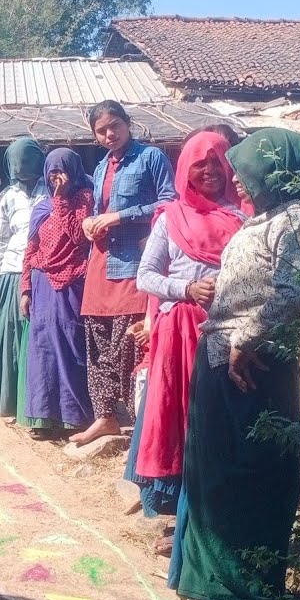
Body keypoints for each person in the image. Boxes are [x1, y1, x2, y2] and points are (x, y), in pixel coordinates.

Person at [171, 128, 300, 600]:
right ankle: (216, 590)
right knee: (217, 472)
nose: (235, 178)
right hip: (222, 359)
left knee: (250, 476)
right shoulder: (263, 220)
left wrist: (247, 339)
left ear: (274, 172)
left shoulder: (296, 221)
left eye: (245, 169)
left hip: (255, 367)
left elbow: (293, 294)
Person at [126, 131, 244, 554]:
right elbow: (145, 276)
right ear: (185, 171)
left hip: (228, 335)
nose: (211, 171)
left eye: (218, 162)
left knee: (214, 424)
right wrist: (186, 289)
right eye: (200, 164)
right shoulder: (170, 217)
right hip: (179, 335)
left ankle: (210, 517)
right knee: (179, 419)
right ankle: (180, 521)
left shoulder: (242, 218)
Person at [71, 100, 177, 446]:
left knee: (130, 341)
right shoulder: (102, 166)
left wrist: (120, 217)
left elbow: (168, 204)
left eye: (114, 125)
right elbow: (101, 210)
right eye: (101, 131)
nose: (109, 134)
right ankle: (105, 417)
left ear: (128, 123)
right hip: (101, 263)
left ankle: (141, 422)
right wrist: (92, 221)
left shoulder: (151, 158)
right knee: (98, 339)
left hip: (135, 263)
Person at [20, 148, 96, 440]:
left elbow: (79, 236)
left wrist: (63, 199)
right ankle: (41, 418)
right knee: (42, 350)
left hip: (71, 283)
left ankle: (72, 418)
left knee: (69, 346)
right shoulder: (41, 206)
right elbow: (32, 249)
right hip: (41, 283)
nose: (56, 178)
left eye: (62, 171)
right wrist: (25, 288)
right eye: (52, 172)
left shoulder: (84, 200)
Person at [0, 137, 43, 422]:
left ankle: (35, 407)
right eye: (17, 164)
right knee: (12, 344)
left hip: (42, 276)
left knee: (35, 343)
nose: (22, 170)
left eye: (27, 162)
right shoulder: (7, 197)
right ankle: (11, 402)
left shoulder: (52, 191)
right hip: (10, 276)